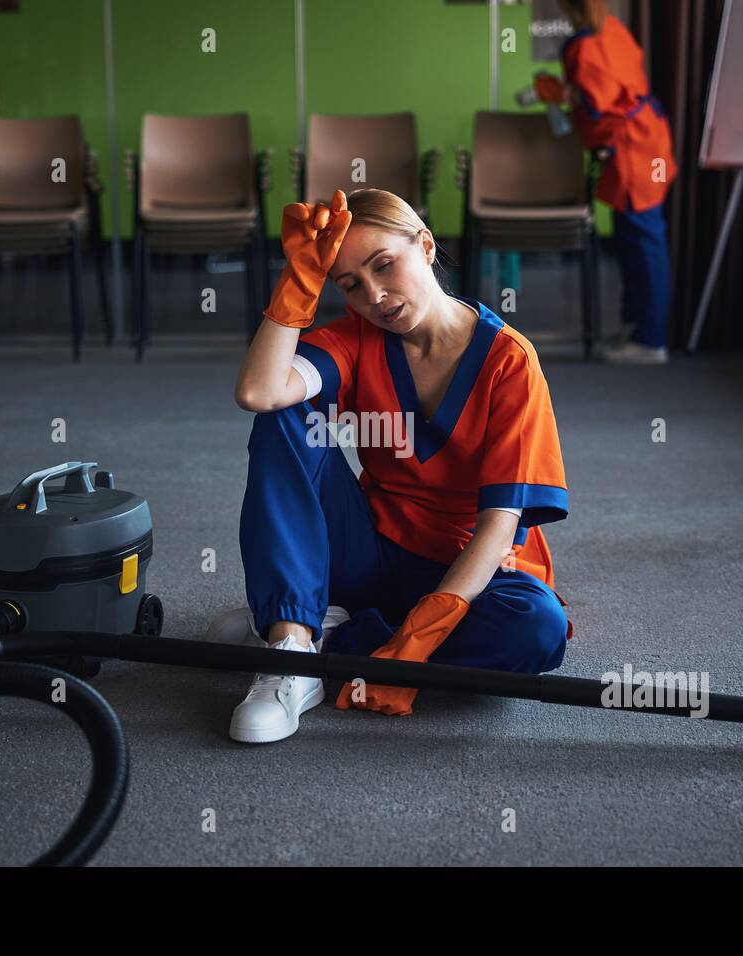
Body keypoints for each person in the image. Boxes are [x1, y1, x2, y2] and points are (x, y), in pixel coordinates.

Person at [218, 187, 573, 744]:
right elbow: (259, 392)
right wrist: (298, 281)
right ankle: (291, 647)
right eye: (350, 284)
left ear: (425, 245)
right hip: (372, 553)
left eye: (384, 265)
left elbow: (499, 526)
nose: (375, 295)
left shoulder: (509, 361)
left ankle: (326, 628)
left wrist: (417, 641)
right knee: (284, 415)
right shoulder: (357, 339)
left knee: (535, 630)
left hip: (470, 568)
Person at [537, 0, 676, 364]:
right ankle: (636, 326)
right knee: (633, 239)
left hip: (631, 149)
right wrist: (568, 93)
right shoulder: (614, 30)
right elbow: (612, 92)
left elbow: (597, 106)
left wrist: (561, 94)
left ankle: (650, 340)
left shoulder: (584, 47)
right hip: (648, 140)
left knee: (644, 241)